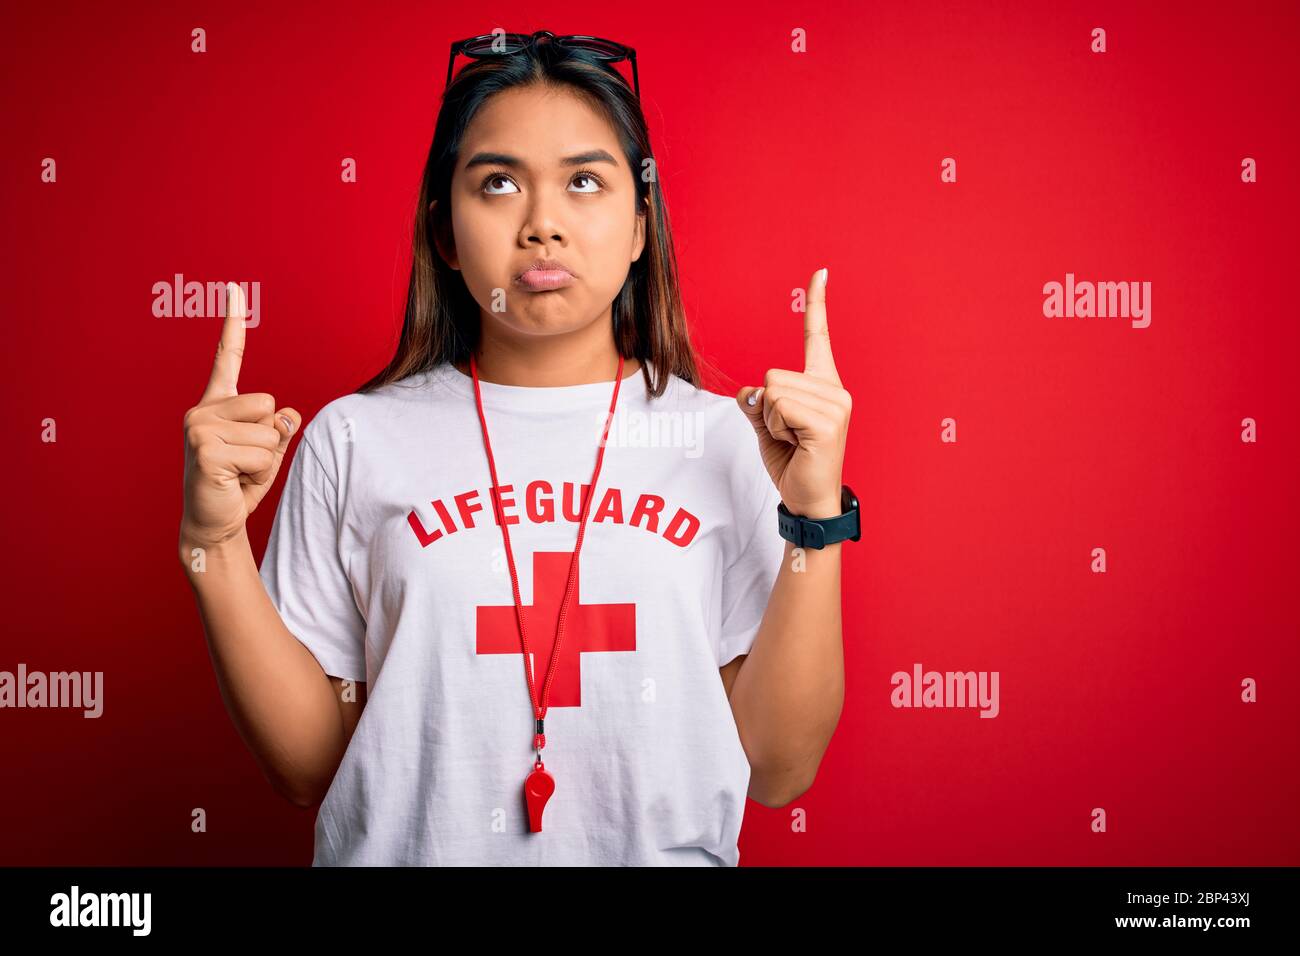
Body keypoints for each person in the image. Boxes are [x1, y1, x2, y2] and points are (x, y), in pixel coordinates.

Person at [179, 30, 852, 866]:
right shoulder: (353, 440)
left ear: (641, 227)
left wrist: (814, 516)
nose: (543, 225)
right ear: (447, 233)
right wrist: (214, 547)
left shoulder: (728, 442)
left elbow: (779, 771)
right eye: (498, 183)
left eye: (584, 182)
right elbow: (308, 767)